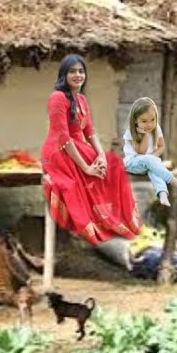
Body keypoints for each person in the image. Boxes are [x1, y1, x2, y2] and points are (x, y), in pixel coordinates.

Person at [41, 54, 141, 244]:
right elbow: (63, 138)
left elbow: (90, 131)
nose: (77, 75)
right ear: (64, 75)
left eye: (81, 71)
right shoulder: (57, 98)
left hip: (79, 147)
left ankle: (115, 220)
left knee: (112, 165)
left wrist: (101, 155)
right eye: (72, 71)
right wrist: (86, 167)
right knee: (83, 178)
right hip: (59, 152)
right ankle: (96, 223)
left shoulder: (82, 100)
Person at [121, 97, 177, 207]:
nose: (149, 124)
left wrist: (152, 158)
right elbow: (141, 152)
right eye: (144, 121)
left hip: (148, 161)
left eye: (152, 120)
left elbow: (161, 146)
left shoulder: (156, 128)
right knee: (152, 162)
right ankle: (176, 183)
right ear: (135, 120)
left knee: (154, 167)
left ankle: (162, 194)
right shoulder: (131, 131)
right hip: (132, 163)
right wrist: (144, 135)